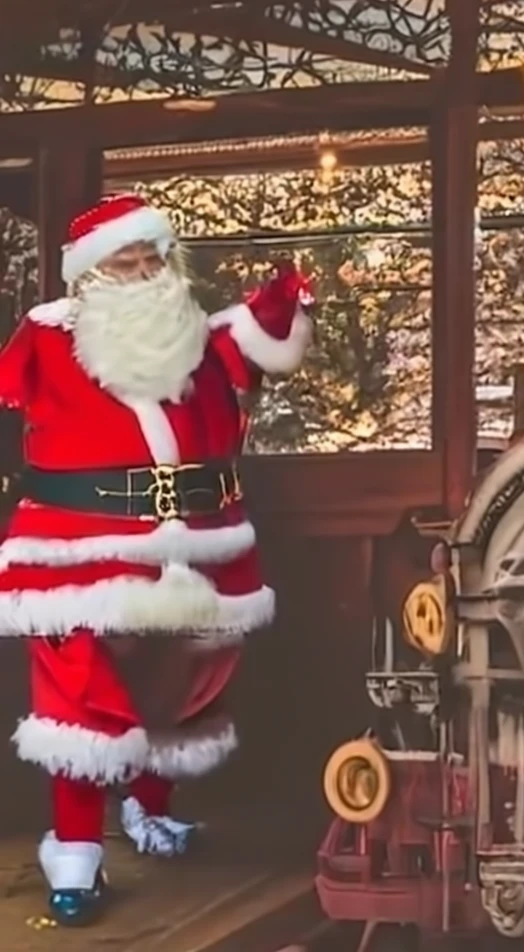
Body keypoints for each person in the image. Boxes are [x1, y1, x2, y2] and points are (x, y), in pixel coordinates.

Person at [0, 194, 314, 926]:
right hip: (77, 550)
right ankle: (75, 857)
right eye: (124, 261)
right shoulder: (45, 340)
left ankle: (151, 811)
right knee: (77, 705)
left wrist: (281, 300)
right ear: (87, 277)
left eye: (152, 259)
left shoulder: (197, 339)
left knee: (179, 688)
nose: (142, 274)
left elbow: (263, 336)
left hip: (194, 544)